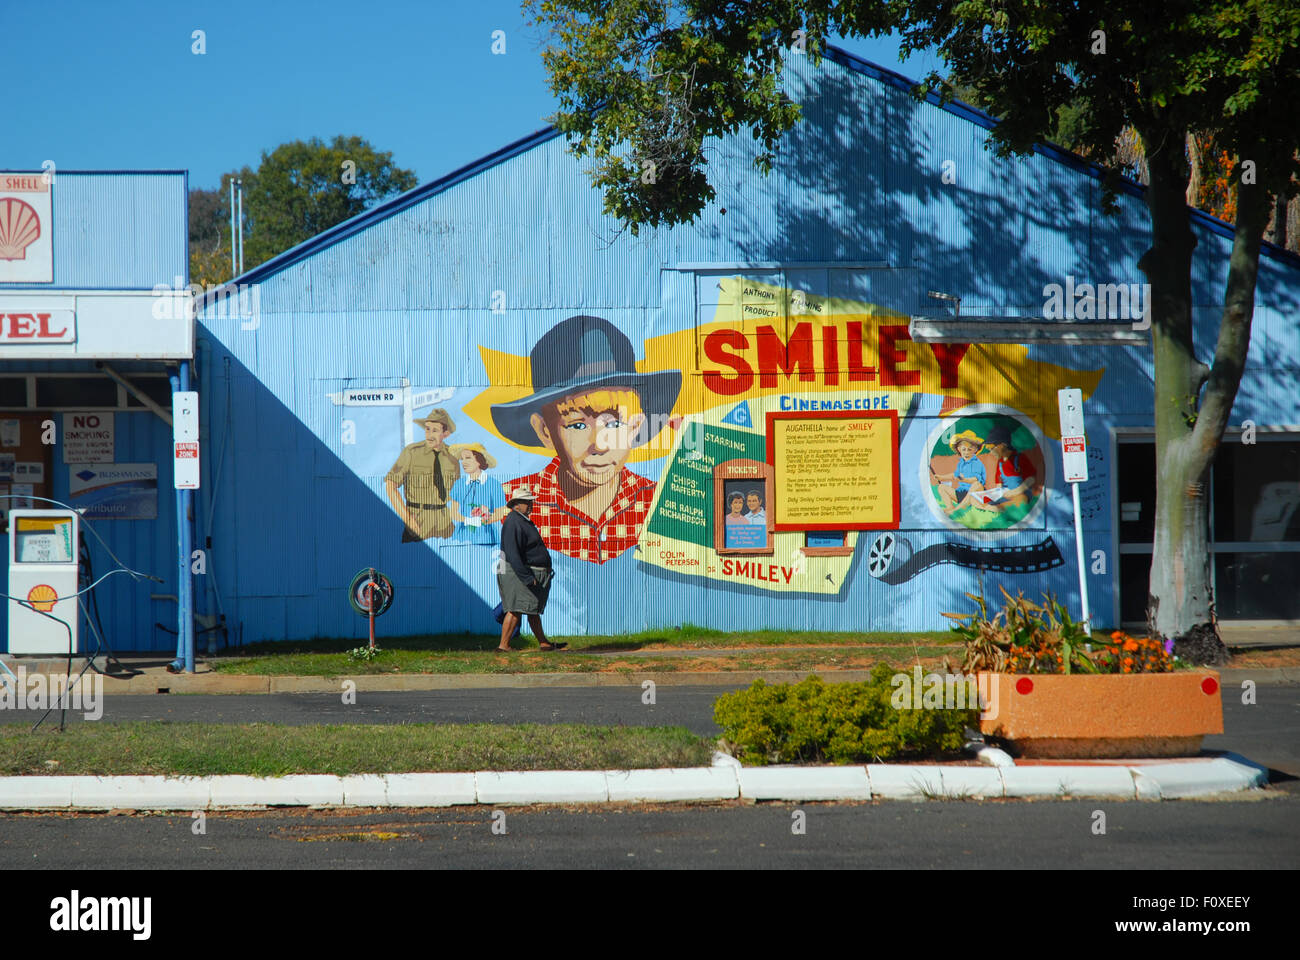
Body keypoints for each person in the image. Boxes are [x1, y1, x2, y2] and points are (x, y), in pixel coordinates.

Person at [491, 315, 682, 564]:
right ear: (544, 431)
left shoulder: (661, 506)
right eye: (578, 425)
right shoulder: (509, 505)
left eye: (614, 423)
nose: (600, 445)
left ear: (636, 425)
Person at [497, 486, 566, 652]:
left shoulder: (521, 520)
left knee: (531, 609)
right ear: (516, 504)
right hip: (518, 573)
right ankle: (503, 646)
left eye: (530, 501)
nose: (530, 505)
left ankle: (544, 643)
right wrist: (527, 577)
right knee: (516, 609)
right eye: (526, 502)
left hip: (524, 572)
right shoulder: (513, 521)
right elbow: (513, 554)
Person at [385, 409, 460, 541]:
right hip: (418, 523)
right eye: (427, 429)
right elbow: (391, 485)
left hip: (445, 524)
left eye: (435, 431)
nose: (429, 435)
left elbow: (456, 493)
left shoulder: (453, 457)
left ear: (446, 433)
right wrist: (408, 519)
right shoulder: (412, 453)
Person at [448, 442, 508, 544]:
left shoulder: (494, 484)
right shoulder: (459, 484)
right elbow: (453, 513)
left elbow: (499, 514)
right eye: (462, 459)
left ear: (479, 461)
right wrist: (468, 520)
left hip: (486, 536)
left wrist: (482, 521)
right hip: (461, 536)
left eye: (468, 458)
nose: (463, 462)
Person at [985, 424, 1039, 511]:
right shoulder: (1000, 462)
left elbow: (1031, 479)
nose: (990, 452)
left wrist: (1015, 491)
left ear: (1002, 445)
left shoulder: (1020, 458)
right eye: (988, 449)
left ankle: (999, 508)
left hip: (1020, 493)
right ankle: (996, 507)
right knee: (986, 500)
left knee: (1022, 499)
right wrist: (997, 492)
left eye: (991, 448)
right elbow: (999, 481)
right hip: (1006, 495)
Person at [932, 429, 987, 514]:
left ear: (975, 450)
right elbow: (954, 475)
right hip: (961, 493)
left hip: (974, 493)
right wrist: (941, 477)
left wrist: (964, 480)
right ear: (959, 449)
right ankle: (950, 507)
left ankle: (958, 509)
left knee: (976, 485)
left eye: (969, 449)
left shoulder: (976, 463)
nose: (966, 452)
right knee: (941, 487)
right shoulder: (961, 463)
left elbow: (975, 479)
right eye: (964, 449)